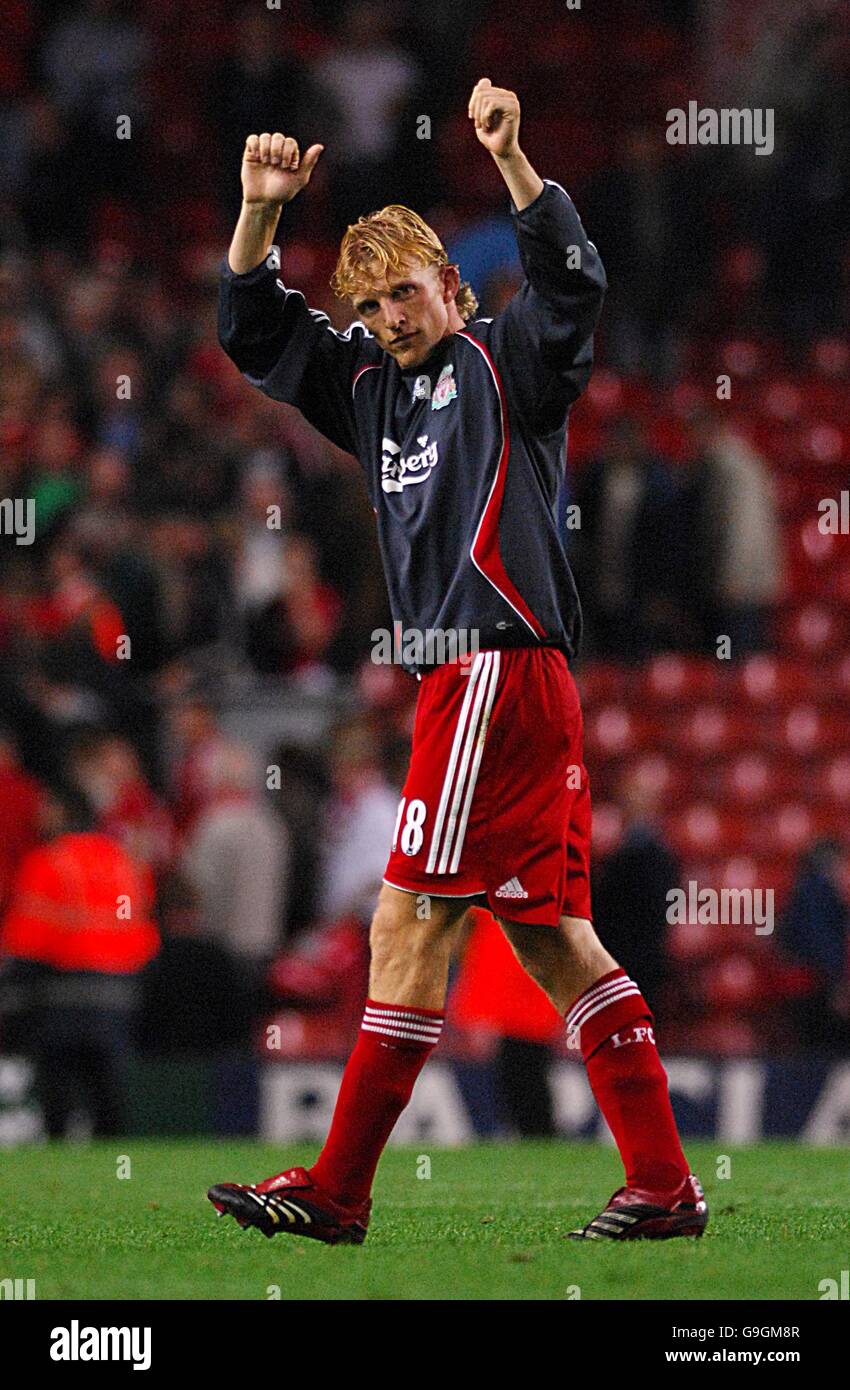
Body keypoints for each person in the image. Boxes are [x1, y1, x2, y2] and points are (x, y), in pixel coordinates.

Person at [208, 79, 707, 1245]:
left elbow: (575, 279)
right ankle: (663, 1185)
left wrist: (515, 160)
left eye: (405, 290)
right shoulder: (369, 387)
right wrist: (258, 214)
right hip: (484, 682)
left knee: (409, 922)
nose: (388, 314)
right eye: (370, 301)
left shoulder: (507, 360)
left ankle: (336, 1191)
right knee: (553, 940)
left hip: (490, 667)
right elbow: (250, 329)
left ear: (452, 282)